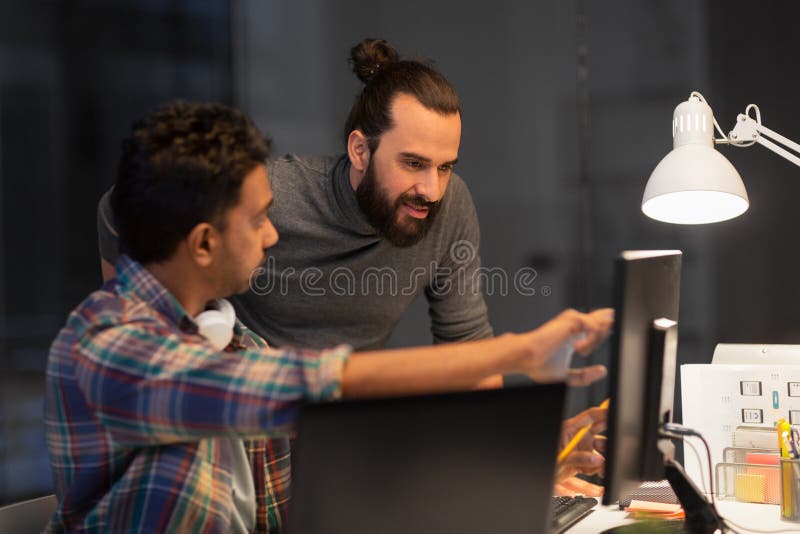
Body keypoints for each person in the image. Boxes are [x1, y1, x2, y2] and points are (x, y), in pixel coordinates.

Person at [49, 101, 613, 533]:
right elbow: (316, 385)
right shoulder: (110, 349)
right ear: (202, 243)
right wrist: (518, 352)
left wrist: (530, 452)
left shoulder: (233, 339)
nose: (273, 236)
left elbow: (343, 460)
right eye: (260, 219)